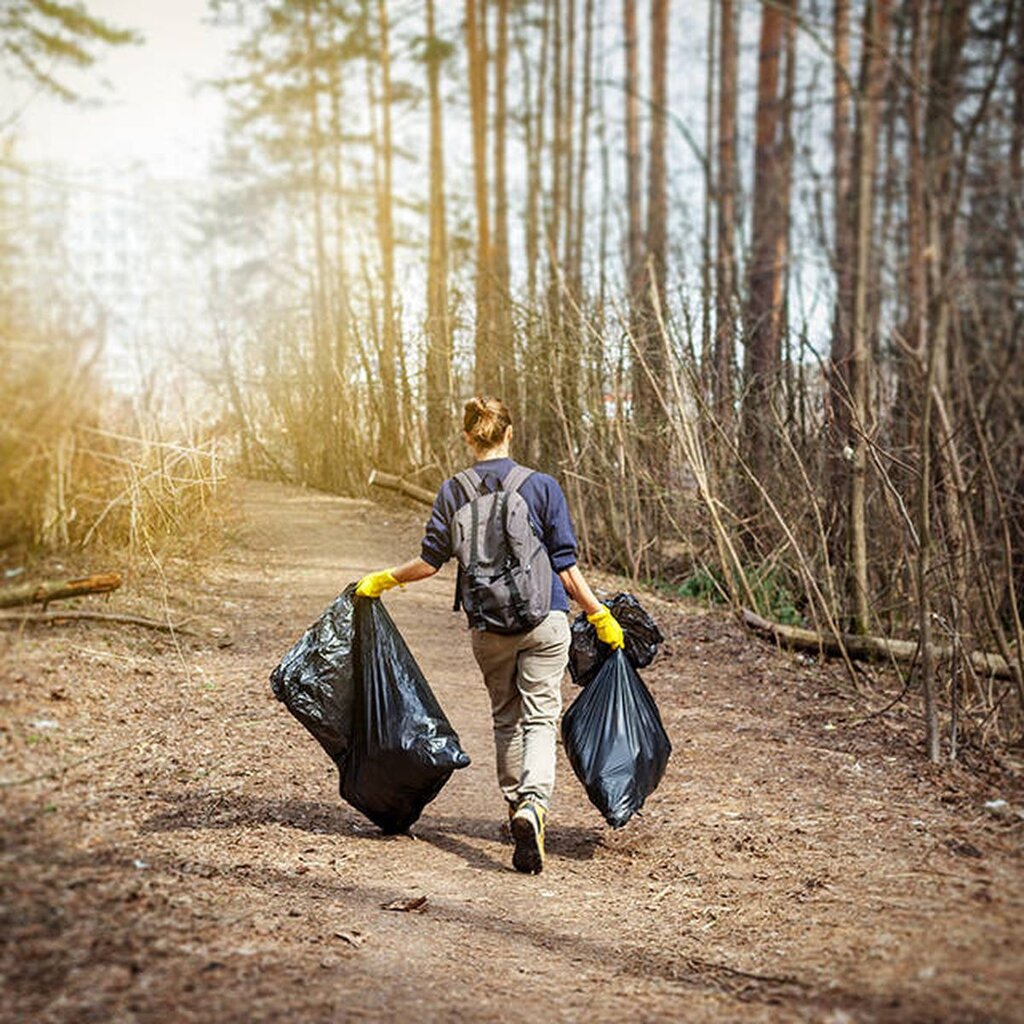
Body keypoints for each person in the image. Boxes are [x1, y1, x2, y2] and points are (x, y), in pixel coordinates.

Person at [355, 396, 624, 875]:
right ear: (510, 433)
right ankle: (533, 806)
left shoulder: (452, 492)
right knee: (541, 717)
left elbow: (429, 563)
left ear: (467, 437)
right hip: (546, 622)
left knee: (506, 718)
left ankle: (514, 805)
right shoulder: (541, 487)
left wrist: (382, 579)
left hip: (488, 629)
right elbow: (565, 568)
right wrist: (600, 614)